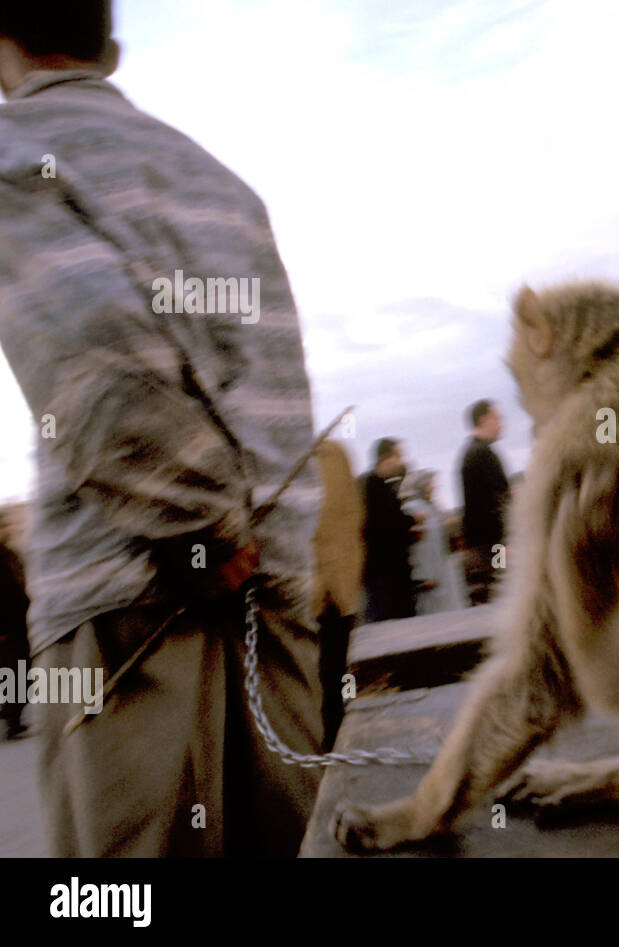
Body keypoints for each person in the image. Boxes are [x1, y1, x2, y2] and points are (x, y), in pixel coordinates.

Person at [0, 2, 324, 856]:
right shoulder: (215, 177)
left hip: (136, 603)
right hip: (274, 594)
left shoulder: (11, 156)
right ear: (110, 43)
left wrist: (202, 531)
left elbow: (91, 360)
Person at [311, 440, 363, 751]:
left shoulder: (333, 453)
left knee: (335, 679)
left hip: (334, 590)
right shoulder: (330, 454)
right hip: (304, 592)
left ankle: (334, 747)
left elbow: (351, 517)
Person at [360, 438, 419, 623]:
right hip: (386, 576)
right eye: (399, 456)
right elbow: (385, 527)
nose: (402, 461)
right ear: (386, 458)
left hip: (386, 575)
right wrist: (411, 521)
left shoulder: (377, 486)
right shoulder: (373, 489)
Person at [459, 400, 510, 605]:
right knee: (500, 592)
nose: (501, 424)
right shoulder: (482, 454)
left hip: (484, 545)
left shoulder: (471, 453)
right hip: (492, 546)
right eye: (497, 418)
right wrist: (505, 541)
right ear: (483, 420)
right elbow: (493, 504)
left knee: (492, 596)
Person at [402, 470, 469, 615]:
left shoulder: (433, 507)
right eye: (431, 483)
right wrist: (423, 575)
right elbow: (418, 546)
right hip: (429, 569)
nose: (434, 487)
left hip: (442, 566)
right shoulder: (414, 508)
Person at [0, 524, 30, 741]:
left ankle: (11, 715)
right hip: (8, 627)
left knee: (20, 672)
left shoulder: (6, 552)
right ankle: (12, 719)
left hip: (19, 622)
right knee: (18, 671)